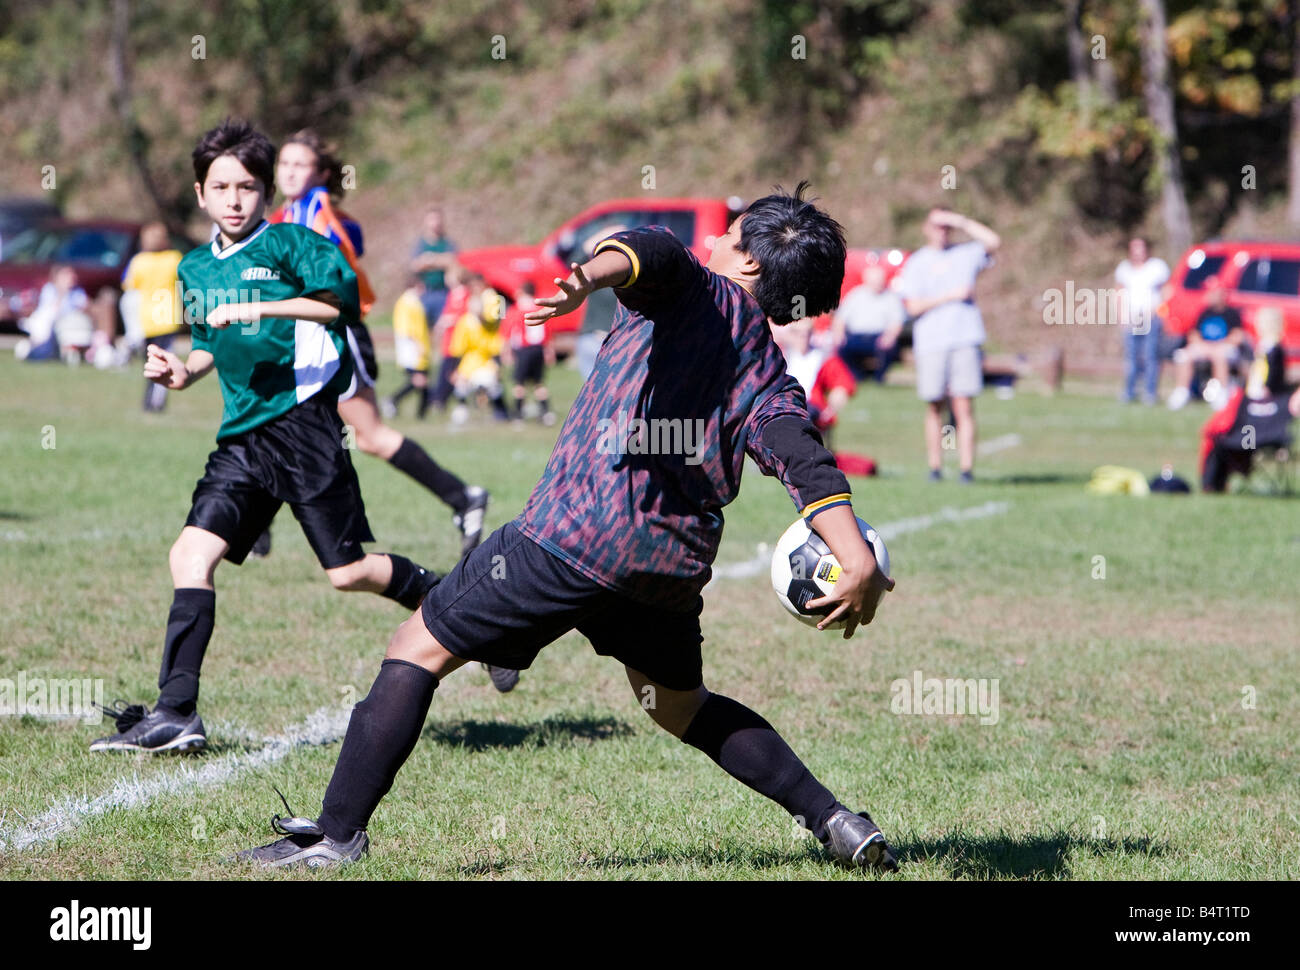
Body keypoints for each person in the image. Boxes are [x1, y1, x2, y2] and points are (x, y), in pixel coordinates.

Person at [237, 183, 899, 872]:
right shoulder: (771, 375)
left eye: (728, 236)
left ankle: (337, 835)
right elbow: (805, 462)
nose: (715, 241)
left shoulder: (692, 285)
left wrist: (585, 278)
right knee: (680, 707)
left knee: (418, 645)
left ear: (751, 264)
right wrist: (856, 561)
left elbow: (646, 251)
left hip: (574, 536)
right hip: (666, 570)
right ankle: (834, 820)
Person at [89, 121, 446, 755]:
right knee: (188, 557)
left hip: (305, 428)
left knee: (349, 573)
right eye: (220, 187)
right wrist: (179, 372)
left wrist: (263, 307)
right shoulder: (194, 268)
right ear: (200, 194)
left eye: (247, 187)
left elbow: (336, 306)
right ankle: (176, 712)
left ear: (262, 192)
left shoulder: (290, 243)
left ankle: (451, 601)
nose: (234, 199)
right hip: (243, 438)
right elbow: (205, 348)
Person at [270, 130, 489, 558]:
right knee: (287, 422)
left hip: (335, 335)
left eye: (300, 164)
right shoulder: (291, 212)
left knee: (368, 435)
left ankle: (463, 498)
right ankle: (462, 499)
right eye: (284, 164)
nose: (290, 171)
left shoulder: (318, 210)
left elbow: (339, 252)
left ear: (321, 174)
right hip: (310, 335)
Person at [894, 207, 1000, 483]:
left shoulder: (965, 254)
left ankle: (966, 469)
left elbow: (993, 242)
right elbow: (913, 306)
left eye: (946, 227)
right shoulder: (917, 262)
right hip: (931, 342)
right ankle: (935, 467)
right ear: (925, 229)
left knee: (963, 405)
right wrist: (950, 296)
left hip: (964, 338)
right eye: (937, 226)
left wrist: (959, 219)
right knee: (934, 405)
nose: (942, 231)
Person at [120, 222, 184, 411]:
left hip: (146, 319)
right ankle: (157, 403)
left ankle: (148, 400)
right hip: (167, 319)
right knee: (165, 364)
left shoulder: (139, 261)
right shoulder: (174, 259)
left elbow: (129, 285)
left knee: (150, 364)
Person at [1167, 277, 1246, 411]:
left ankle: (1221, 393)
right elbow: (1193, 334)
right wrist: (1205, 346)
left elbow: (1237, 336)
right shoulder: (1204, 312)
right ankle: (1181, 392)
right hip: (1205, 347)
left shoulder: (1232, 313)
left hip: (1223, 348)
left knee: (1220, 355)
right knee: (1183, 355)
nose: (1207, 295)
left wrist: (1217, 346)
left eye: (1211, 291)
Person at [1115, 236, 1170, 405]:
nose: (1138, 252)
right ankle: (1129, 391)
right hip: (1130, 319)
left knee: (1150, 356)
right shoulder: (1124, 269)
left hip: (1151, 318)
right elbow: (1119, 293)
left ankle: (1150, 393)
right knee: (1131, 358)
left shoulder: (1157, 267)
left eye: (1141, 248)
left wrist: (1157, 311)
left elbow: (1168, 291)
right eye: (1134, 248)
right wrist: (1120, 317)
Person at [448, 275, 509, 424]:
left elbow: (498, 318)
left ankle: (501, 412)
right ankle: (463, 408)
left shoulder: (494, 298)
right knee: (462, 384)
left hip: (489, 354)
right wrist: (454, 368)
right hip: (471, 359)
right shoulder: (466, 321)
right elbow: (458, 347)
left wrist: (483, 316)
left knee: (494, 384)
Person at [832, 262, 904, 383]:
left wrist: (890, 337)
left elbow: (897, 322)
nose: (877, 284)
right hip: (856, 336)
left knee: (889, 349)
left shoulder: (891, 298)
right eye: (874, 281)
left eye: (879, 280)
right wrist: (839, 334)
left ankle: (879, 379)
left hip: (879, 337)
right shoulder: (856, 295)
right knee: (841, 348)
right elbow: (840, 318)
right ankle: (857, 376)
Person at [502, 281, 555, 425]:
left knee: (519, 383)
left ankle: (518, 415)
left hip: (523, 349)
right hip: (538, 348)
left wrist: (506, 351)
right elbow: (548, 331)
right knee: (539, 383)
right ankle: (546, 414)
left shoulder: (516, 309)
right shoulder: (540, 308)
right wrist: (549, 351)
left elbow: (508, 332)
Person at [15, 265, 92, 363]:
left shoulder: (77, 291)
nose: (72, 277)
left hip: (70, 324)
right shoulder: (49, 289)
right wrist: (63, 291)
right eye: (67, 274)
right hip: (48, 325)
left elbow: (84, 307)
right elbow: (52, 311)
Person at [383, 277, 433, 419]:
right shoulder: (407, 302)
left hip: (419, 349)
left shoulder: (414, 302)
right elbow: (406, 328)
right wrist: (417, 345)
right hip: (412, 350)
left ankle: (421, 414)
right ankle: (392, 400)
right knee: (419, 381)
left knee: (422, 383)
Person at [410, 207, 457, 326]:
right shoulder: (421, 244)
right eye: (432, 219)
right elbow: (415, 265)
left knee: (443, 327)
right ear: (426, 221)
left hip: (444, 292)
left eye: (437, 219)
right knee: (421, 328)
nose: (435, 223)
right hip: (425, 292)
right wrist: (438, 262)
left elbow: (453, 261)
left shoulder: (447, 243)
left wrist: (431, 260)